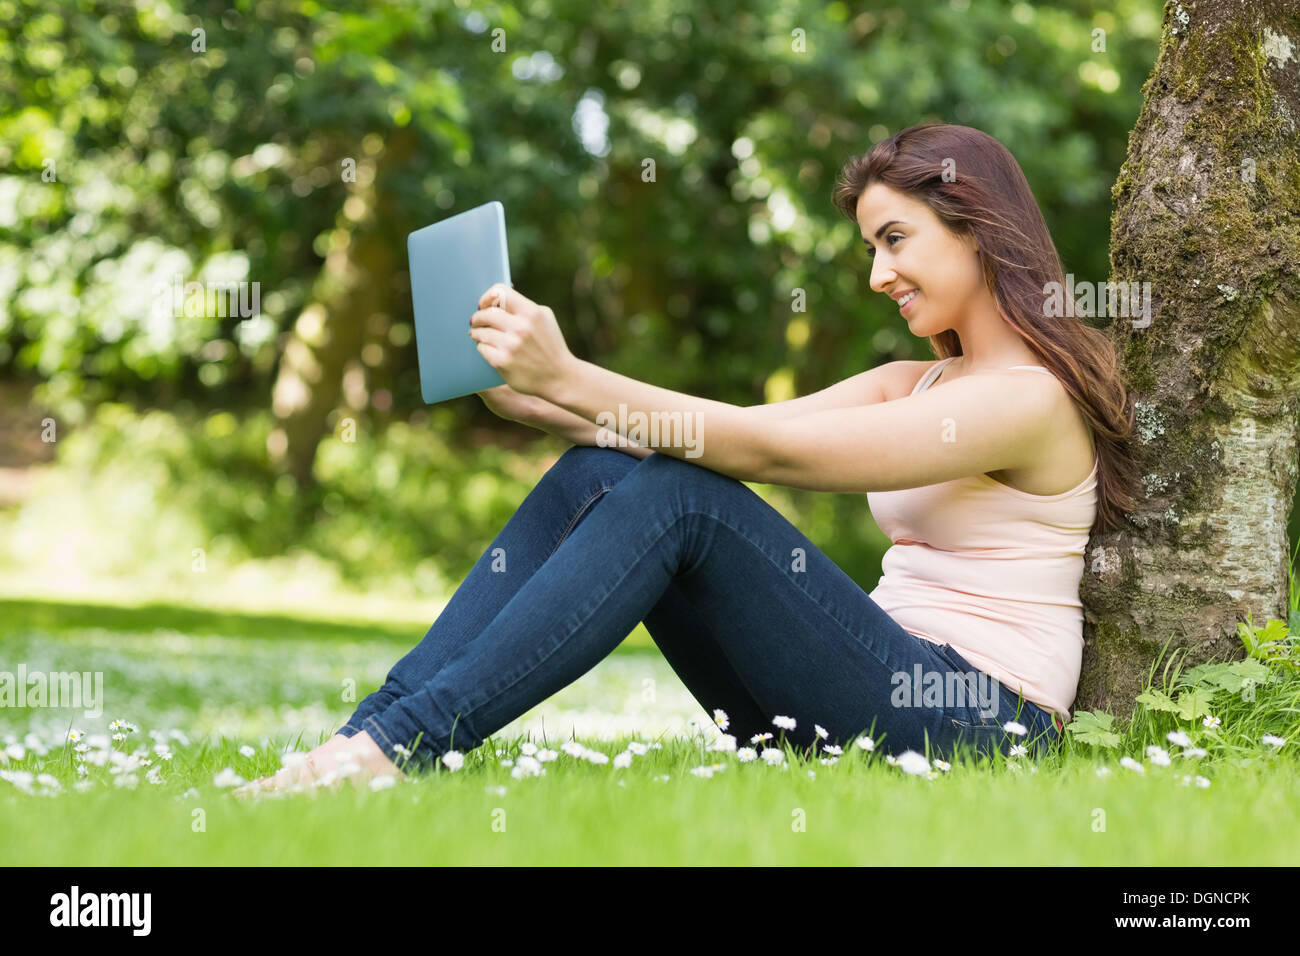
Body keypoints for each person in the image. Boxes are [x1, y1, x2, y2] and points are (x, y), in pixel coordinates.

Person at [237, 123, 1138, 796]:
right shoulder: (914, 383)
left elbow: (767, 450)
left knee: (683, 499)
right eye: (871, 247)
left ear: (975, 229)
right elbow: (719, 427)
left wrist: (575, 372)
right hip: (855, 697)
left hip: (976, 722)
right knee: (609, 478)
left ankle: (401, 749)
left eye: (894, 240)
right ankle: (361, 742)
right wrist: (539, 398)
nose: (876, 275)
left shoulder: (1030, 398)